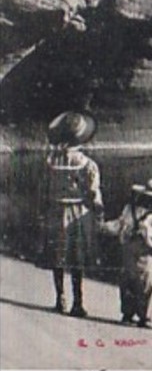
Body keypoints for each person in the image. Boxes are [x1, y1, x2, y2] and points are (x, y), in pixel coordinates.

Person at [37, 111, 104, 317]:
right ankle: (78, 302)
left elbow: (42, 191)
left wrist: (41, 213)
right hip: (77, 214)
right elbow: (93, 193)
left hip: (55, 212)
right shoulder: (88, 164)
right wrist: (98, 213)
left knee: (58, 257)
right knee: (77, 258)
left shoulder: (50, 162)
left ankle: (60, 299)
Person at [103, 177, 152, 328]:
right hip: (146, 255)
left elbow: (118, 225)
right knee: (148, 285)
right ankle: (145, 317)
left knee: (128, 282)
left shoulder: (129, 210)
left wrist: (105, 227)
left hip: (128, 252)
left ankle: (127, 314)